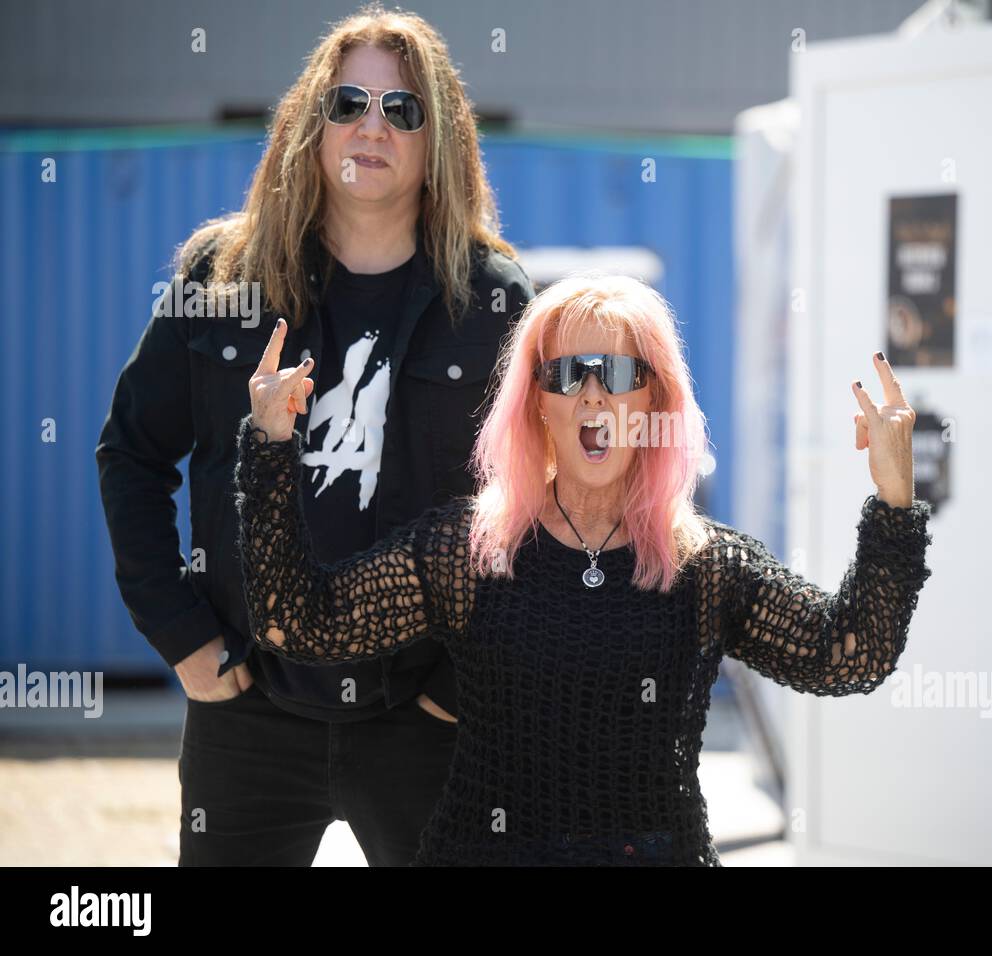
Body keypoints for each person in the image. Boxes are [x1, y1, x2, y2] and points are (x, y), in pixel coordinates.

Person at [234, 273, 934, 866]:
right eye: (569, 374)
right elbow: (298, 623)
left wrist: (895, 498)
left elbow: (850, 655)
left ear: (652, 402)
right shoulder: (471, 551)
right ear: (537, 401)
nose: (594, 396)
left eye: (621, 374)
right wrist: (268, 446)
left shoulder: (705, 565)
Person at [95, 5, 533, 865]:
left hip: (423, 717)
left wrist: (457, 684)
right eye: (349, 102)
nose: (372, 125)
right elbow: (132, 455)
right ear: (312, 118)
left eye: (402, 109)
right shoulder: (222, 279)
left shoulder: (491, 300)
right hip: (249, 715)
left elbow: (531, 504)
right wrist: (183, 638)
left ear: (437, 137)